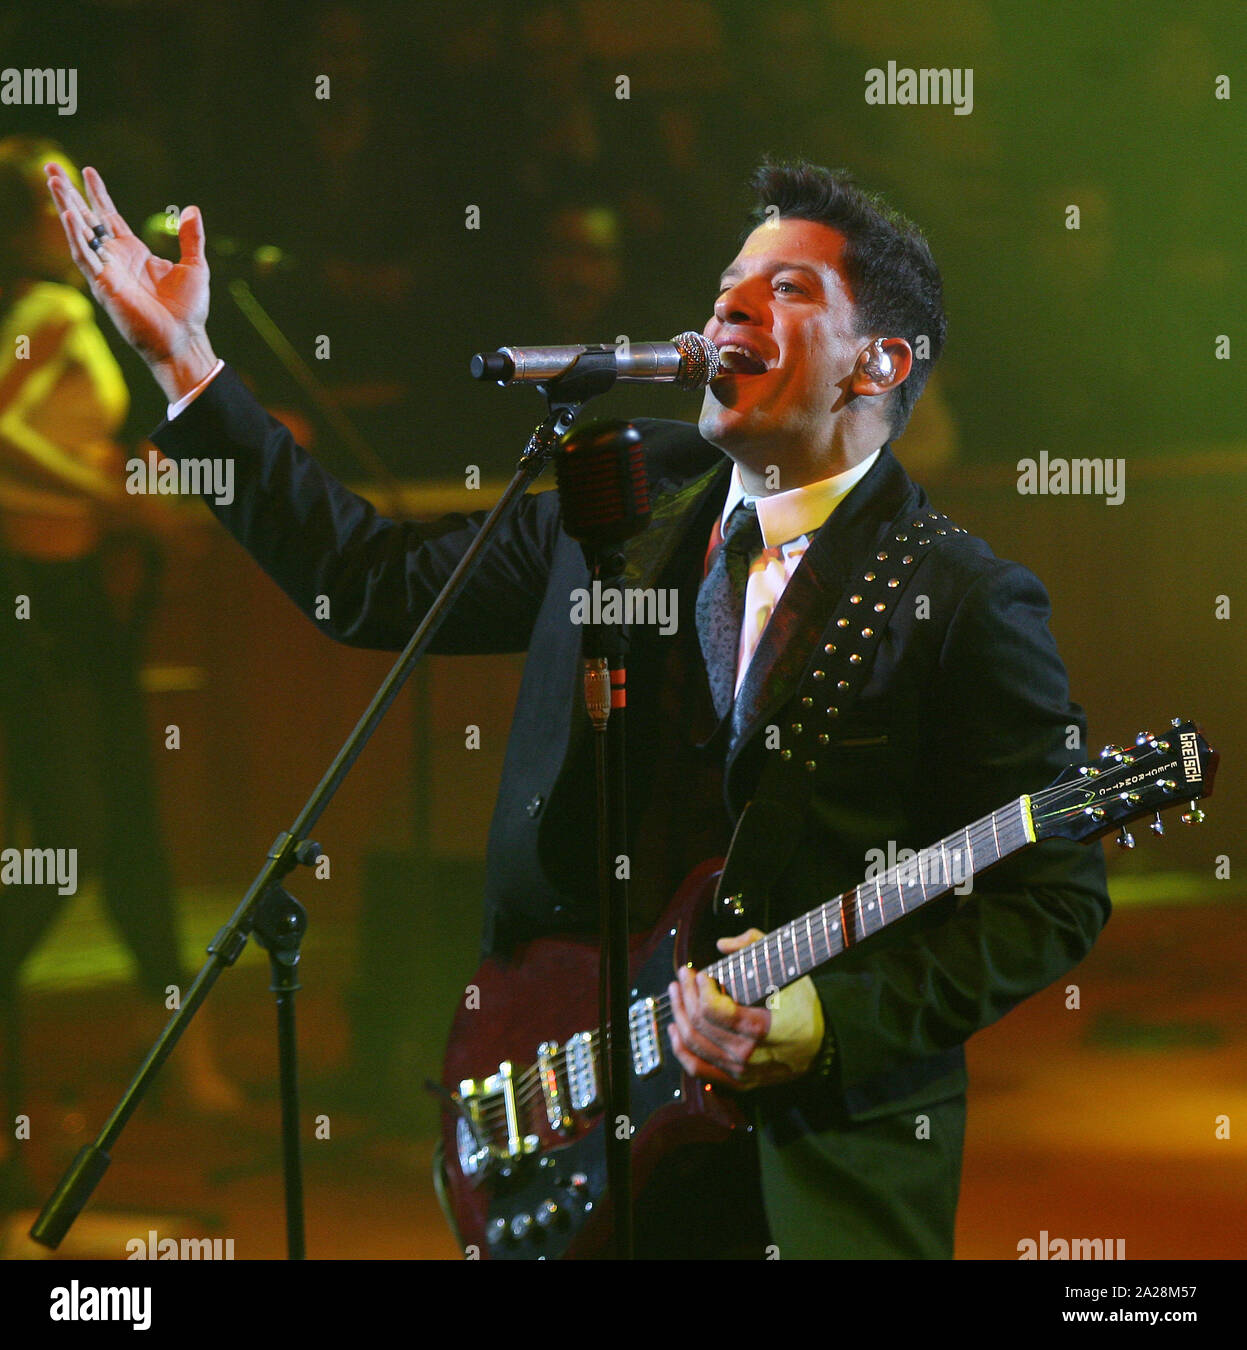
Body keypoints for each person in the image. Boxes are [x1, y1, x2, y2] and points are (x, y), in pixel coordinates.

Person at [44, 155, 1109, 1258]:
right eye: (726, 285)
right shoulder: (624, 498)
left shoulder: (961, 598)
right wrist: (186, 361)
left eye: (786, 289)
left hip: (807, 1159)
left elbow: (1051, 899)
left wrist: (830, 1021)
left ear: (877, 361)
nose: (728, 304)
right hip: (580, 1108)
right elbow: (361, 581)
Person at [0, 141, 240, 1212]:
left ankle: (175, 1044)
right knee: (82, 823)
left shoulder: (49, 310)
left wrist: (121, 489)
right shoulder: (48, 314)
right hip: (41, 597)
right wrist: (109, 500)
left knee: (118, 818)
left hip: (76, 598)